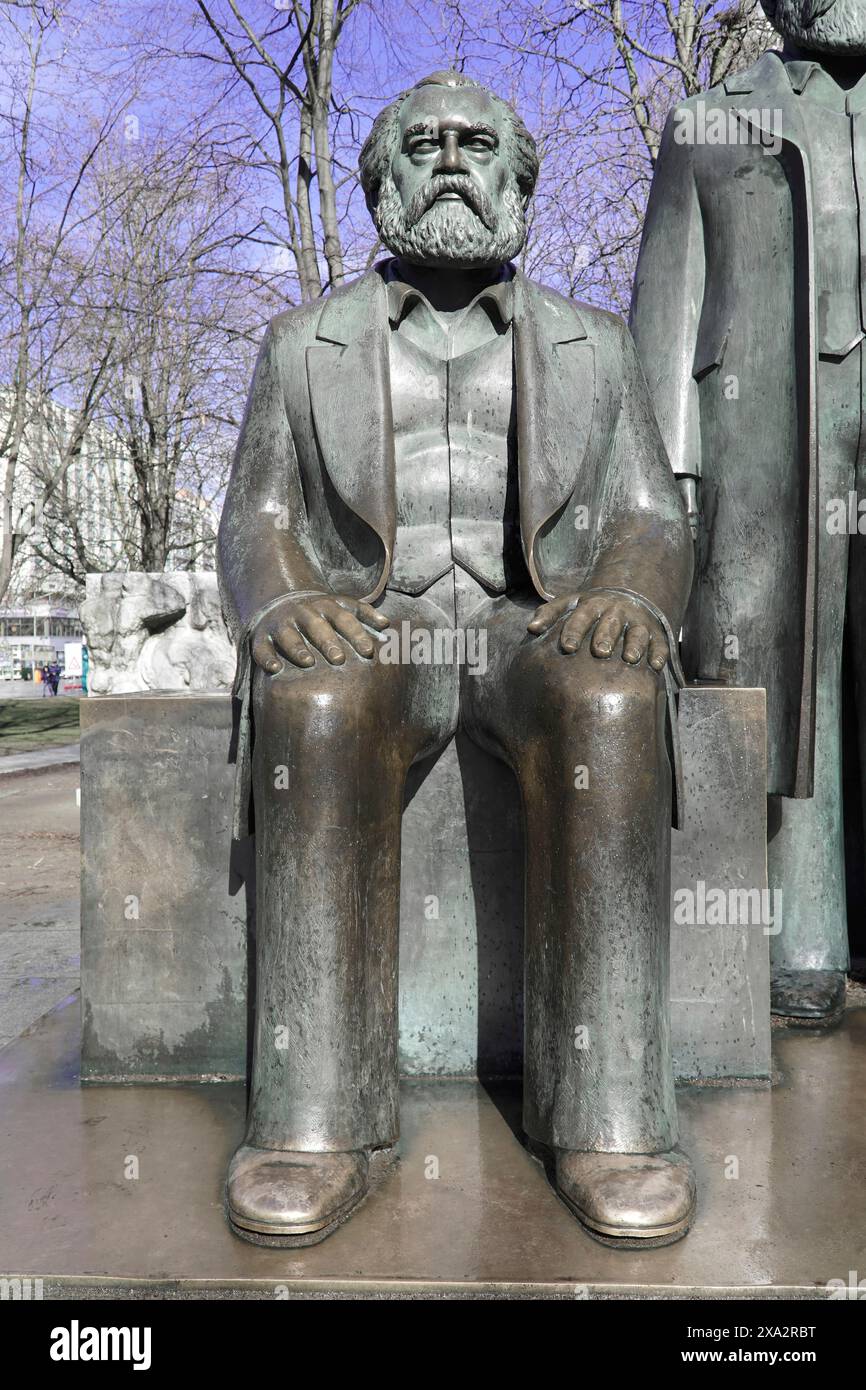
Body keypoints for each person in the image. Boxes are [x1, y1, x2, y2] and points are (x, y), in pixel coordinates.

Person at [218, 71, 694, 1248]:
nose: (447, 161)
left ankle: (611, 1117)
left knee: (610, 700)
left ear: (517, 179)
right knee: (317, 703)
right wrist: (279, 600)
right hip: (370, 626)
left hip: (527, 626)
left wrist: (631, 590)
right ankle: (316, 1122)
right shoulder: (297, 346)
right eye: (418, 145)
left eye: (476, 145)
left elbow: (649, 510)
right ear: (378, 180)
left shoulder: (598, 344)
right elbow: (255, 517)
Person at [630, 0, 866, 1025]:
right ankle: (799, 938)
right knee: (784, 671)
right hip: (766, 422)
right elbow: (663, 310)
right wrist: (665, 484)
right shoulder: (706, 123)